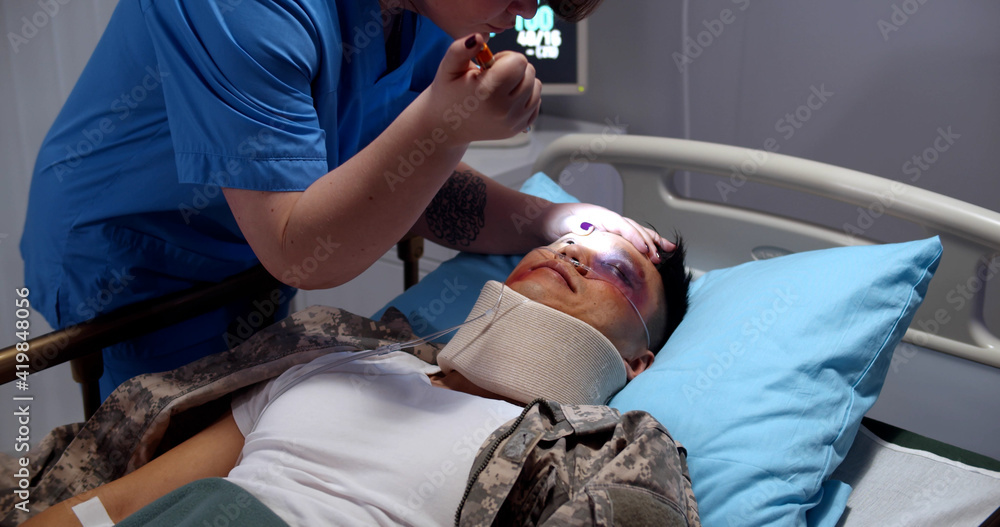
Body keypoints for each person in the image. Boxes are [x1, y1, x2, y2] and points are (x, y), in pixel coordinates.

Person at [20, 0, 674, 400]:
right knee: (172, 451)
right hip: (137, 260)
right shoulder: (245, 7)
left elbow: (404, 181)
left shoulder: (424, 16)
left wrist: (551, 217)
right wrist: (447, 125)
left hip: (252, 258)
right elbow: (297, 249)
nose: (527, 12)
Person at [22, 231, 691, 526]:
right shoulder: (341, 359)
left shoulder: (606, 450)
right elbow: (117, 508)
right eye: (571, 237)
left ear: (638, 362)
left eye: (618, 271)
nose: (574, 252)